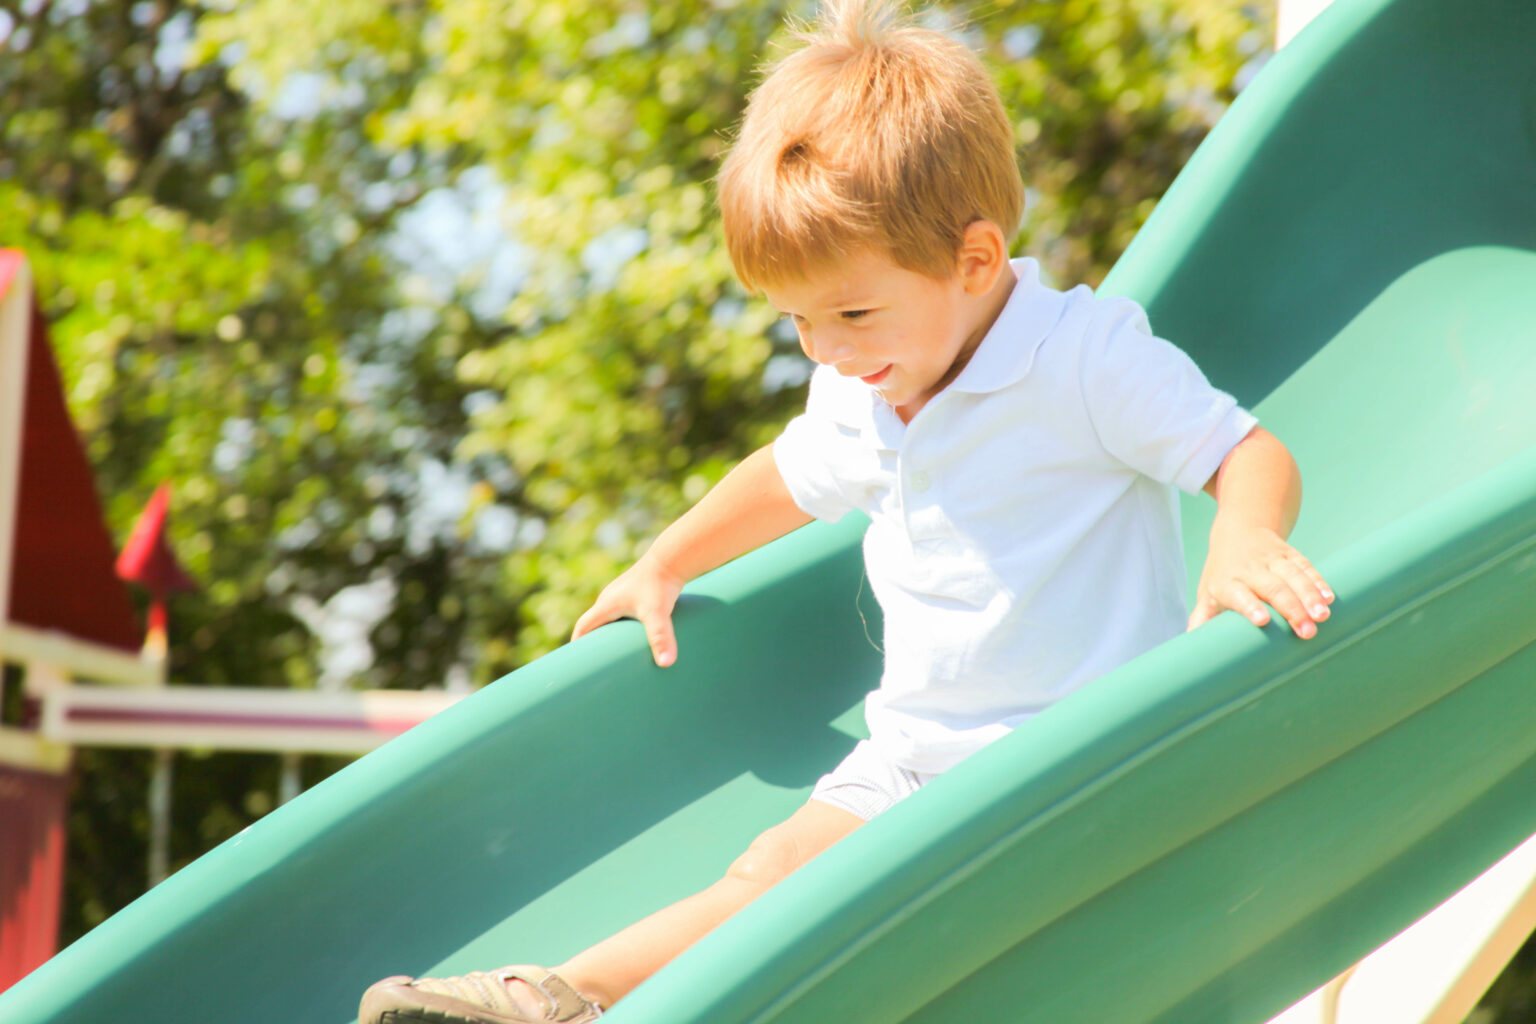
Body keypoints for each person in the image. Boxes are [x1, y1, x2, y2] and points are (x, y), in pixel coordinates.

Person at [360, 1, 1334, 1021]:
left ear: (975, 257)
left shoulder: (1083, 357)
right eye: (798, 321)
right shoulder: (867, 380)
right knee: (770, 868)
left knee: (849, 922)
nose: (824, 348)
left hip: (1070, 760)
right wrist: (667, 558)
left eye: (852, 312)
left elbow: (1244, 450)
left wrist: (1245, 536)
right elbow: (784, 475)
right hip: (912, 756)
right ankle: (557, 998)